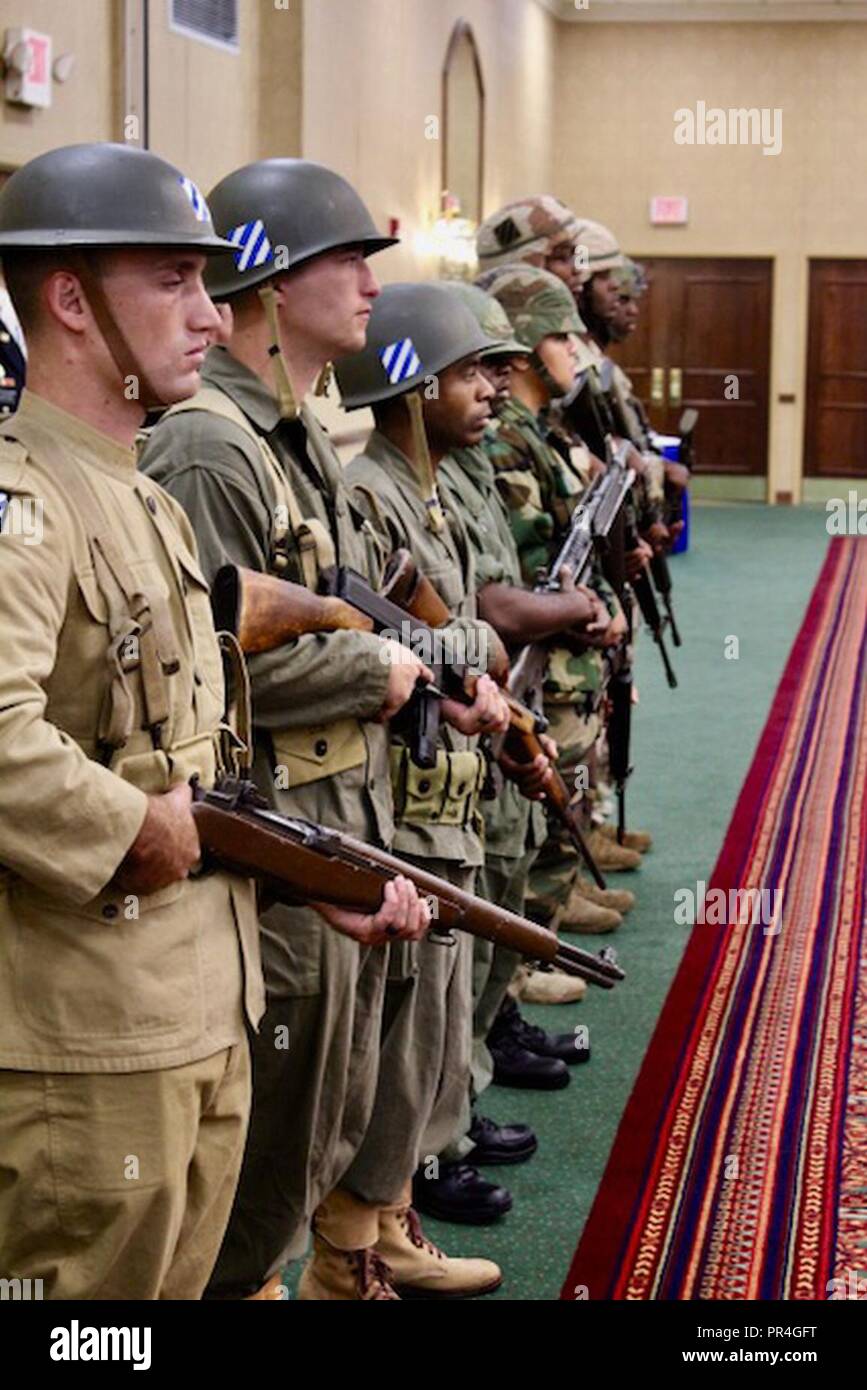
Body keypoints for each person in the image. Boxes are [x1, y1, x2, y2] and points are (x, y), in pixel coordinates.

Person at [139, 157, 434, 1301]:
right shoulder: (213, 445)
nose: (371, 286)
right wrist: (378, 661)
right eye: (347, 259)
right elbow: (212, 660)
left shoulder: (293, 435)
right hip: (276, 823)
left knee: (328, 1106)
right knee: (263, 1147)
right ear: (271, 283)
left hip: (333, 807)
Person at [0, 140, 265, 1301]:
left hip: (200, 1001)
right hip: (83, 1036)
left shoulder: (147, 494)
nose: (210, 316)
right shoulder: (24, 499)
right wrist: (132, 827)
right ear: (71, 298)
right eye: (174, 280)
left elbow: (198, 763)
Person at [334, 281, 527, 1269]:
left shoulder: (429, 490)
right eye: (467, 374)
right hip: (403, 804)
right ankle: (363, 1241)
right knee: (402, 1031)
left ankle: (395, 1217)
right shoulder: (369, 494)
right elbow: (393, 644)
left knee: (437, 1021)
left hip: (444, 792)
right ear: (410, 391)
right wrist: (475, 642)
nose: (491, 393)